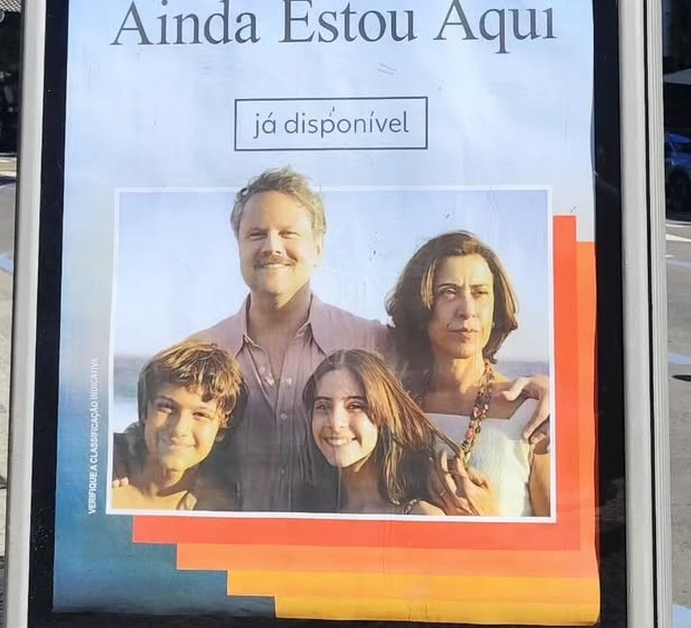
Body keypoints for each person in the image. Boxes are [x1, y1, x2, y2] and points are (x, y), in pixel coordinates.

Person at [192, 168, 550, 511]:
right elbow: (155, 439)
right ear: (237, 244)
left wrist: (553, 391)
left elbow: (453, 360)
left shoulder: (375, 345)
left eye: (288, 233)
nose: (272, 246)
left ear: (318, 247)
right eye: (256, 234)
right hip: (232, 563)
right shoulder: (199, 353)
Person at [386, 230, 552, 518]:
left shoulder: (534, 411)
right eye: (448, 292)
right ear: (421, 304)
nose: (467, 310)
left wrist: (491, 524)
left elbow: (563, 548)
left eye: (480, 293)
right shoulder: (396, 409)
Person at [301, 349, 446, 515]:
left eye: (355, 406)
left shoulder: (420, 517)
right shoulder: (307, 513)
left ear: (385, 415)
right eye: (323, 406)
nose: (335, 422)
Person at [110, 340, 243, 511]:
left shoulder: (218, 508)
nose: (179, 429)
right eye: (166, 407)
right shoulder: (106, 478)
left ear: (222, 429)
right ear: (144, 412)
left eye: (201, 415)